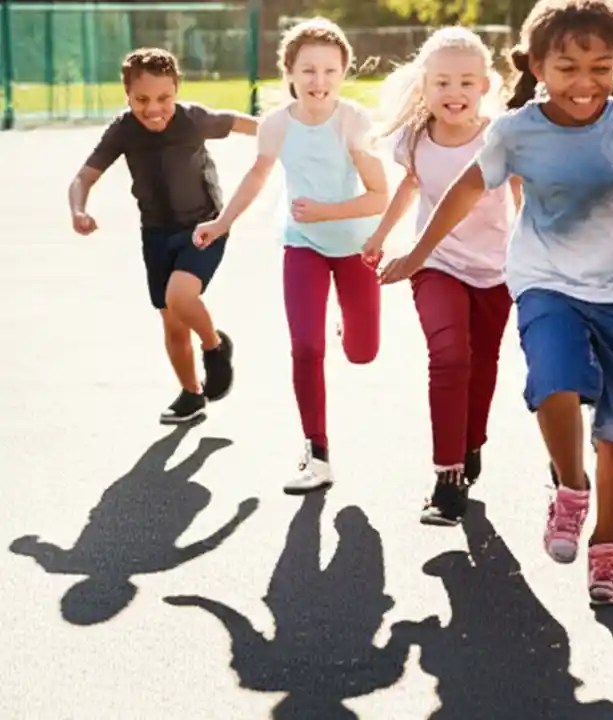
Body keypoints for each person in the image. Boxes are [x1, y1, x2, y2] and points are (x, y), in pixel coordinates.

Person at [380, 0, 613, 605]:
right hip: (546, 280)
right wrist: (417, 252)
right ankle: (571, 489)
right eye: (566, 67)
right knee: (552, 383)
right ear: (537, 66)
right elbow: (467, 189)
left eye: (600, 67)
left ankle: (606, 545)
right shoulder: (515, 130)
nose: (585, 82)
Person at [193, 18, 389, 493]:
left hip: (355, 246)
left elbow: (380, 196)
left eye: (329, 71)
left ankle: (350, 321)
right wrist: (222, 223)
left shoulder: (353, 122)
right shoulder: (277, 126)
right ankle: (316, 452)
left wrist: (326, 211)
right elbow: (258, 177)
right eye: (308, 71)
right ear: (290, 73)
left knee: (363, 352)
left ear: (343, 74)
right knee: (306, 346)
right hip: (302, 244)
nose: (318, 82)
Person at [365, 27, 520, 525]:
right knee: (450, 357)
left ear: (485, 86)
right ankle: (447, 476)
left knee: (483, 365)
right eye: (443, 83)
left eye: (467, 83)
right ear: (424, 86)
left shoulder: (501, 137)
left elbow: (521, 197)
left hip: (496, 269)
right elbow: (410, 187)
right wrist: (382, 236)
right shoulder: (413, 138)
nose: (455, 94)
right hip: (434, 263)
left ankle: (472, 442)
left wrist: (534, 254)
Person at [68, 48, 254, 424]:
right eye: (142, 99)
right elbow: (84, 177)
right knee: (172, 321)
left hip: (204, 226)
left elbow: (240, 123)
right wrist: (78, 209)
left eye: (164, 97)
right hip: (155, 233)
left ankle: (215, 349)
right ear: (127, 96)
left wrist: (298, 128)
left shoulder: (191, 119)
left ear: (177, 90)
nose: (154, 108)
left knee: (180, 295)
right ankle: (191, 393)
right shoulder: (123, 129)